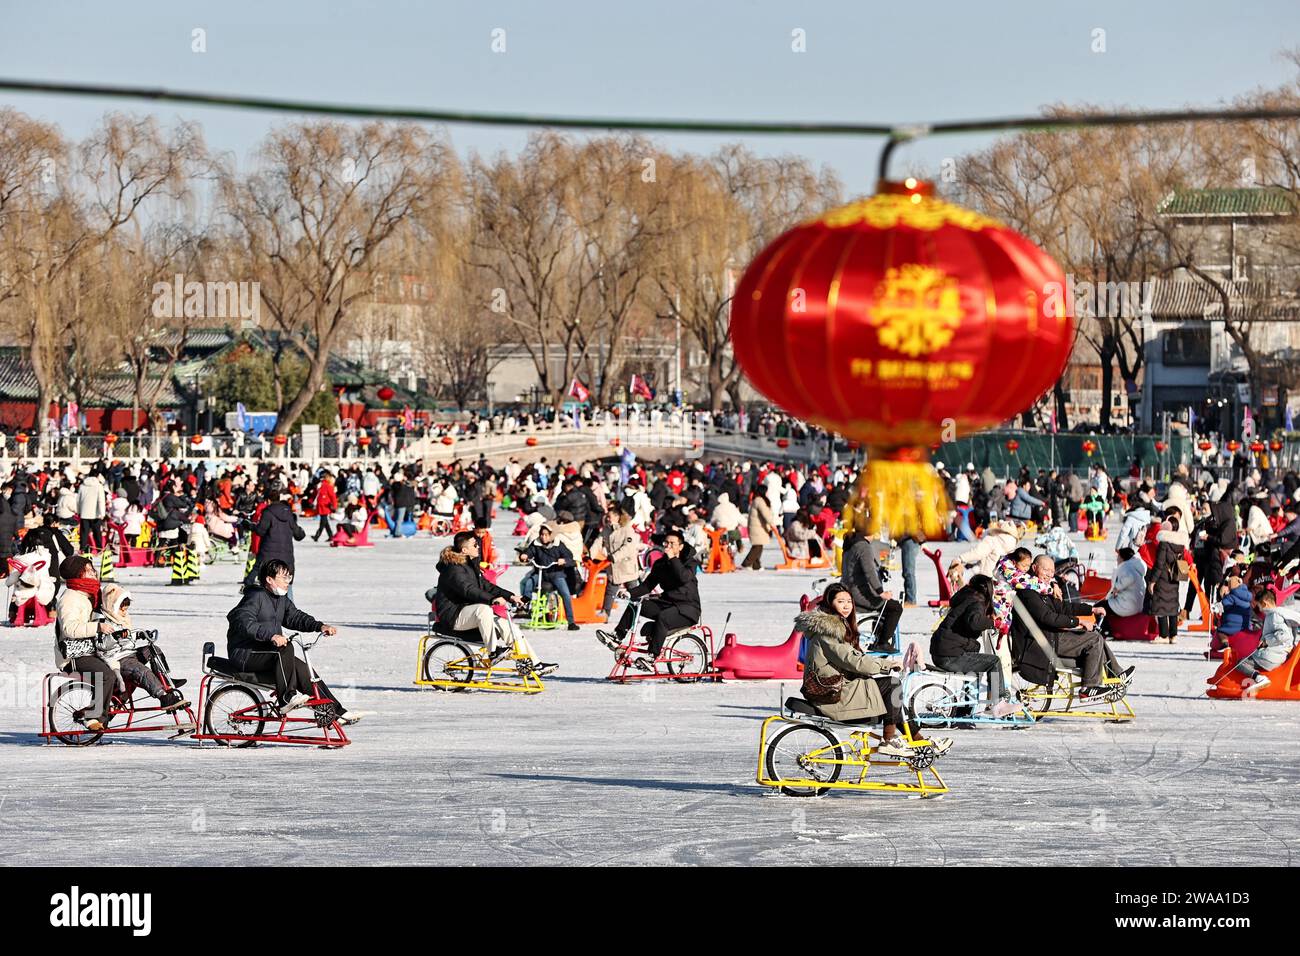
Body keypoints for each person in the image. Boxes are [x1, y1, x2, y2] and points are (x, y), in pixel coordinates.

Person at [796, 583, 951, 758]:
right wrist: (887, 665)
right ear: (830, 604)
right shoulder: (828, 633)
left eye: (849, 601)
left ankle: (917, 739)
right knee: (892, 686)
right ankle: (890, 740)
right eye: (840, 601)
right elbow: (852, 660)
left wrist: (878, 666)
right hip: (832, 695)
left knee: (892, 696)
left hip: (839, 690)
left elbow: (853, 658)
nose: (846, 605)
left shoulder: (837, 628)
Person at [225, 559, 364, 724]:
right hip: (245, 653)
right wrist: (271, 636)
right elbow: (242, 620)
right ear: (269, 579)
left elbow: (295, 617)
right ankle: (287, 698)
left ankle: (334, 711)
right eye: (284, 578)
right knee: (285, 649)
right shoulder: (256, 597)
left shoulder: (281, 600)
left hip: (267, 652)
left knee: (303, 670)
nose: (288, 582)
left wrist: (319, 626)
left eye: (289, 577)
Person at [1011, 555, 1133, 704]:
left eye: (1052, 571)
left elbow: (1063, 607)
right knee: (1093, 640)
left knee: (1095, 636)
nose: (1049, 574)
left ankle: (1116, 674)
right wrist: (1078, 621)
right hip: (1041, 643)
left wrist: (1091, 610)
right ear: (1034, 568)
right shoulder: (1028, 592)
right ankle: (1088, 688)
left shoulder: (1041, 588)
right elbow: (1047, 617)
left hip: (1049, 636)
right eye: (1045, 570)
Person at [434, 531, 557, 674]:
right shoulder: (453, 569)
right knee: (483, 609)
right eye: (475, 545)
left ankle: (532, 665)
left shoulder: (469, 564)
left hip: (468, 613)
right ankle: (493, 652)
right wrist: (492, 599)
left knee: (508, 626)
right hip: (452, 616)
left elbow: (486, 586)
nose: (478, 547)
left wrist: (511, 597)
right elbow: (468, 590)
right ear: (464, 550)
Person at [595, 528, 700, 669]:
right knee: (637, 605)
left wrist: (673, 559)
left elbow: (683, 577)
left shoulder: (689, 563)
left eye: (672, 544)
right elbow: (647, 586)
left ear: (680, 547)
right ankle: (617, 636)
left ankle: (652, 657)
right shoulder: (660, 564)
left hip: (687, 609)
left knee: (663, 617)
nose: (667, 546)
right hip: (668, 604)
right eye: (666, 543)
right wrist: (630, 593)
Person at [94, 583, 189, 713]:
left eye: (126, 609)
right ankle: (163, 696)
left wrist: (138, 635)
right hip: (115, 659)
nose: (124, 612)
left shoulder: (121, 618)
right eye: (122, 608)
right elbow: (101, 644)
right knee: (141, 670)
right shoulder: (101, 620)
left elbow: (127, 638)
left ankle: (166, 679)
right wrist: (115, 637)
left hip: (127, 653)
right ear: (112, 605)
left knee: (153, 650)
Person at [929, 573, 1015, 715]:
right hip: (949, 655)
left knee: (974, 665)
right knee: (993, 662)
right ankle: (998, 703)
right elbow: (974, 622)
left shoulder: (966, 597)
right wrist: (993, 623)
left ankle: (965, 711)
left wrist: (988, 618)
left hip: (942, 651)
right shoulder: (977, 601)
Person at [53, 555, 120, 732]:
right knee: (107, 676)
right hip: (73, 654)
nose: (93, 572)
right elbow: (70, 629)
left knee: (127, 667)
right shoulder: (69, 598)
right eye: (88, 570)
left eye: (92, 568)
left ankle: (108, 707)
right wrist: (97, 627)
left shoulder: (88, 594)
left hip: (91, 649)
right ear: (78, 574)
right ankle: (93, 716)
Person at [839, 530, 902, 652]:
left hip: (848, 591)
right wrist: (881, 592)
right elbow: (869, 573)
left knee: (886, 609)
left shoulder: (851, 543)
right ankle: (882, 643)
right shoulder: (864, 546)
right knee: (895, 607)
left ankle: (878, 638)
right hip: (859, 594)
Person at [516, 523, 579, 630]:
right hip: (540, 572)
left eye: (546, 535)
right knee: (529, 582)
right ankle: (526, 605)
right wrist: (524, 556)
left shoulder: (558, 544)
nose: (543, 537)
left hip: (556, 573)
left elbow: (570, 558)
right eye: (541, 534)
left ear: (551, 535)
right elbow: (529, 552)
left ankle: (571, 622)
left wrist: (563, 560)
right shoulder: (536, 544)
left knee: (565, 594)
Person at [1238, 590, 1300, 694]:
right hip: (1278, 653)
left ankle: (1260, 678)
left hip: (1272, 656)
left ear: (1265, 603)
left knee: (1241, 663)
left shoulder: (1274, 615)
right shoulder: (1282, 614)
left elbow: (1284, 635)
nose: (1260, 610)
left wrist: (1266, 641)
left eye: (1259, 606)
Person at [246, 484, 305, 588]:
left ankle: (248, 590)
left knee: (258, 572)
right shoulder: (288, 513)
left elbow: (260, 531)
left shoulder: (267, 512)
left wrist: (250, 526)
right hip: (286, 554)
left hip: (268, 553)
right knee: (286, 582)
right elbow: (298, 534)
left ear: (268, 500)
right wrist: (301, 531)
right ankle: (288, 603)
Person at [1147, 514, 1188, 643]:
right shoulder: (1180, 544)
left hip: (1163, 578)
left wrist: (1152, 581)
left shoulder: (1164, 543)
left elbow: (1159, 564)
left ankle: (1164, 635)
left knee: (1161, 606)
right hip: (1174, 577)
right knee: (1172, 606)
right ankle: (1173, 635)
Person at [598, 502, 642, 616]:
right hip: (614, 567)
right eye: (607, 516)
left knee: (633, 590)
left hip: (626, 565)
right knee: (610, 590)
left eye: (610, 516)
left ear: (618, 517)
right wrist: (590, 555)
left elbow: (628, 547)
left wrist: (615, 556)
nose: (608, 518)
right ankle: (605, 612)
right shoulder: (607, 529)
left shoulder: (627, 529)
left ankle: (637, 612)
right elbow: (598, 542)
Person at [1097, 547, 1147, 632]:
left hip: (1128, 606)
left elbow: (1130, 578)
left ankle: (1104, 629)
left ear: (1122, 557)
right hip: (1137, 604)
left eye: (1118, 556)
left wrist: (1117, 587)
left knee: (1099, 607)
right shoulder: (1135, 566)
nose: (1117, 559)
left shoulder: (1126, 567)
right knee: (1106, 605)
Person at [741, 488, 776, 570]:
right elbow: (765, 513)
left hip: (758, 526)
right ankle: (747, 563)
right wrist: (772, 523)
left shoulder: (757, 500)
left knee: (758, 546)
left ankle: (756, 565)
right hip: (757, 527)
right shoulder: (759, 501)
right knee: (757, 546)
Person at [312, 470, 338, 542]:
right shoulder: (321, 486)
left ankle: (317, 536)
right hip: (322, 506)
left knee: (322, 523)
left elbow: (333, 497)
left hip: (325, 507)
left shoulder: (327, 486)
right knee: (325, 523)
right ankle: (331, 536)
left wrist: (334, 506)